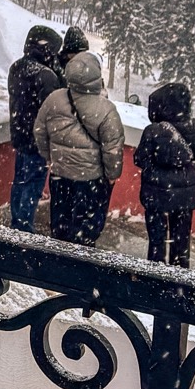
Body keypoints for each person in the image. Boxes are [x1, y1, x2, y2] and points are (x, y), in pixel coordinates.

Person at [33, 49, 125, 247]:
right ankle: (79, 267)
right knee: (86, 229)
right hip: (90, 180)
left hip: (60, 175)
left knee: (60, 225)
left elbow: (39, 130)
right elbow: (113, 148)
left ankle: (58, 263)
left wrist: (49, 157)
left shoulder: (54, 99)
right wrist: (112, 174)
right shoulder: (106, 109)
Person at [133, 81, 195, 267]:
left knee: (157, 239)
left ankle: (155, 276)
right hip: (185, 192)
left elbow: (140, 159)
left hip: (157, 191)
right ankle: (179, 278)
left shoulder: (154, 131)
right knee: (181, 240)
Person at [6, 24, 63, 232]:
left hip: (20, 136)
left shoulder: (17, 67)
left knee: (20, 181)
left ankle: (16, 224)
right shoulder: (46, 76)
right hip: (38, 141)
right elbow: (53, 109)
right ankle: (24, 229)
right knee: (33, 185)